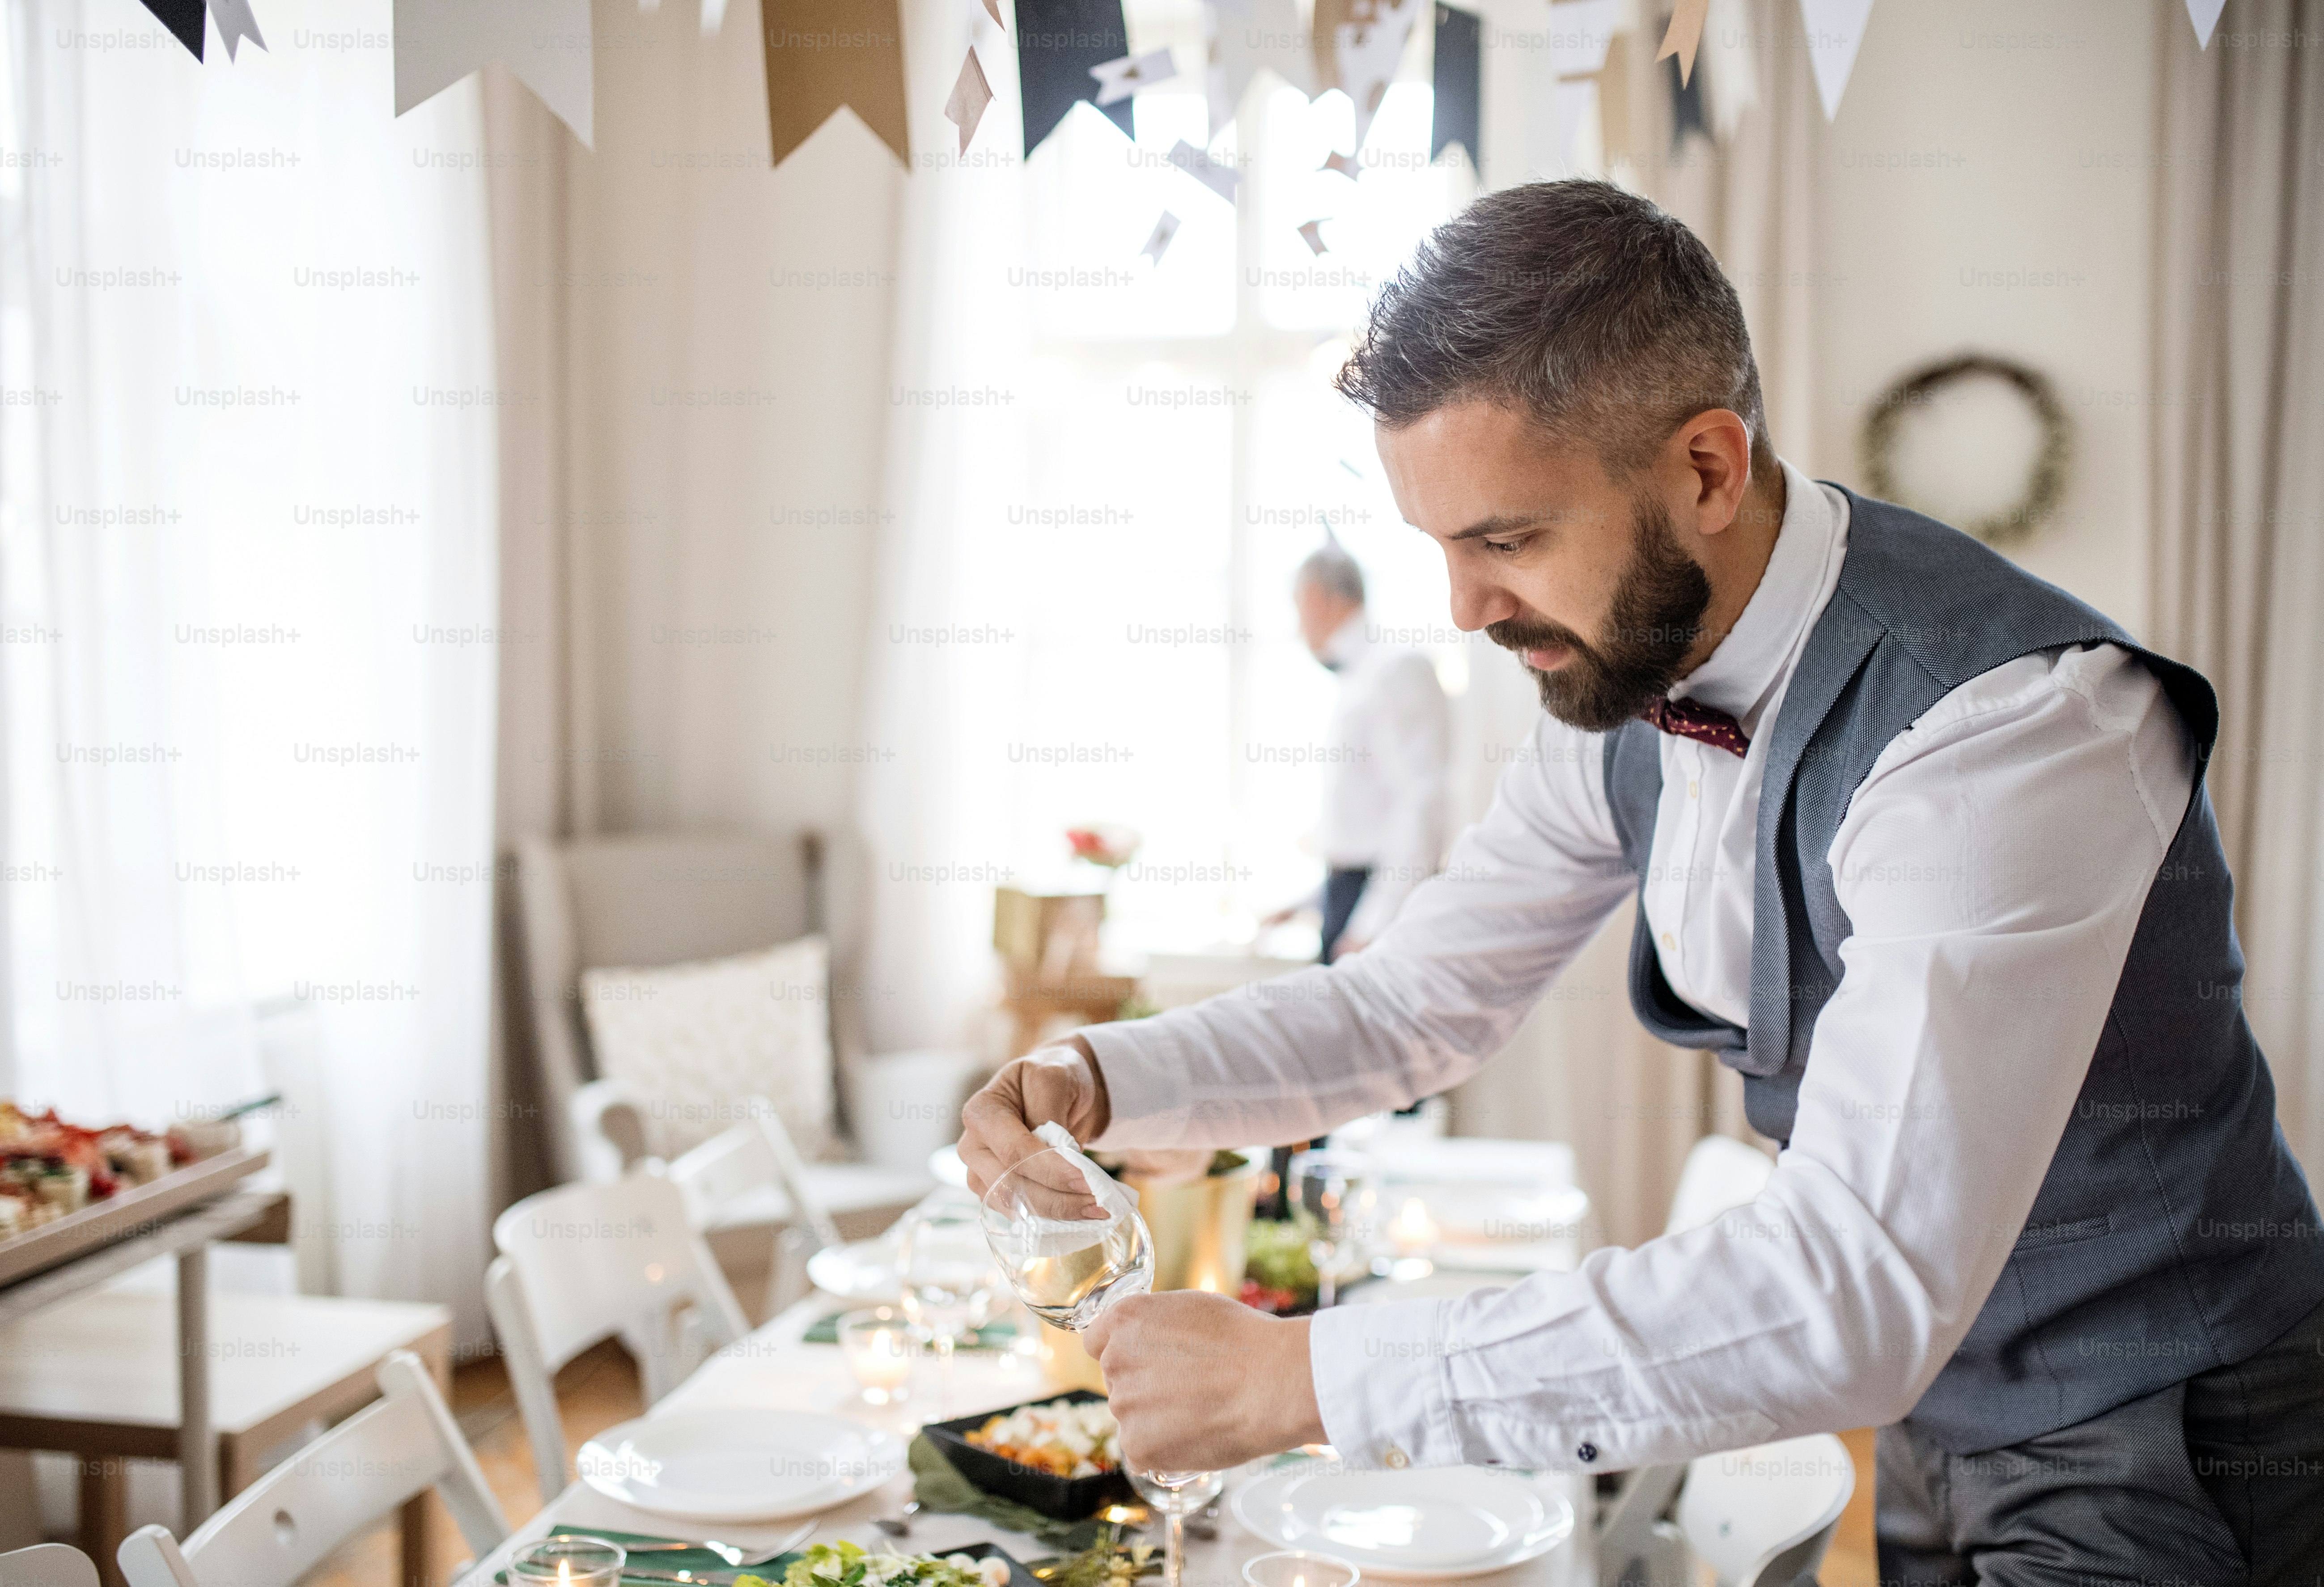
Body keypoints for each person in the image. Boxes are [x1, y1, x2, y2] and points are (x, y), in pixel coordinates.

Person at [961, 179, 2324, 1581]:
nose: (1463, 609)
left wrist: (1308, 1380)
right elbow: (1415, 1002)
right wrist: (1106, 1079)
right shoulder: (1624, 676)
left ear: (1707, 471)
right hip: (1932, 1409)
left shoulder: (2006, 728)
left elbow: (1854, 1283)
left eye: (1508, 539)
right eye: (1438, 547)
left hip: (2170, 1431)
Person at [1262, 537, 1451, 963]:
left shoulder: (1398, 669)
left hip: (1372, 914)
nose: (1297, 628)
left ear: (1318, 599)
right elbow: (1364, 828)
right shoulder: (1357, 678)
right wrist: (1309, 902)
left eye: (1297, 608)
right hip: (1345, 898)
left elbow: (1422, 802)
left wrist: (1371, 926)